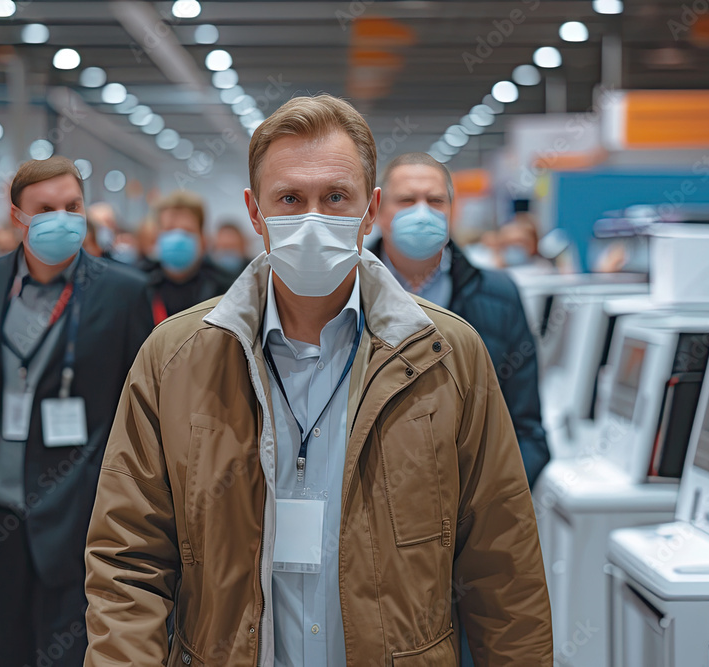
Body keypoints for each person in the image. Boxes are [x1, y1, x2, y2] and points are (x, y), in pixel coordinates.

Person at [84, 95, 552, 666]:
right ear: (256, 213)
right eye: (289, 198)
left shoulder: (447, 357)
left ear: (370, 210)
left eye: (335, 197)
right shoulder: (175, 359)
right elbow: (128, 559)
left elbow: (502, 565)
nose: (312, 218)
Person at [0, 156, 153, 667]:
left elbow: (141, 411)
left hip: (82, 514)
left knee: (73, 654)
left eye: (72, 206)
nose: (61, 219)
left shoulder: (123, 291)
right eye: (45, 209)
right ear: (17, 216)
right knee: (6, 651)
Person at [372, 152, 549, 487]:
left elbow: (526, 430)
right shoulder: (345, 294)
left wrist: (490, 507)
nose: (422, 213)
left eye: (435, 200)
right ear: (377, 212)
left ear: (452, 211)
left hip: (468, 513)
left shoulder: (499, 296)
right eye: (407, 200)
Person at [144, 190, 235, 325]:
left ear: (202, 238)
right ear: (157, 236)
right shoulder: (139, 284)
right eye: (170, 229)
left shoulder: (226, 287)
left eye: (187, 230)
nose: (178, 237)